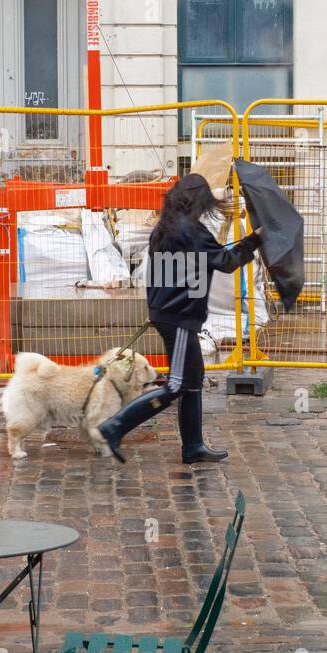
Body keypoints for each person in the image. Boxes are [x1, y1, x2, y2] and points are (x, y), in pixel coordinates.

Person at [99, 173, 263, 464]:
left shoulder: (165, 228)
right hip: (180, 317)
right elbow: (225, 262)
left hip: (171, 313)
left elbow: (200, 263)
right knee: (177, 384)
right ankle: (115, 426)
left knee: (193, 381)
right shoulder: (190, 230)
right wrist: (253, 241)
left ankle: (193, 446)